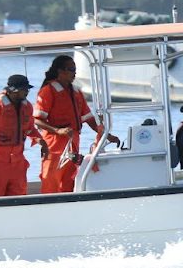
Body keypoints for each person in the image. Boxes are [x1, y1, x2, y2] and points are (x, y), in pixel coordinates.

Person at [34, 54, 120, 193]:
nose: (75, 72)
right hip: (54, 143)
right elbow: (37, 120)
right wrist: (57, 131)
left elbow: (89, 119)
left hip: (73, 142)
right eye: (71, 69)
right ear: (60, 71)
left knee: (69, 181)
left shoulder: (76, 93)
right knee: (51, 181)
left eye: (75, 69)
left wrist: (107, 136)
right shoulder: (48, 92)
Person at [0, 74, 48, 198]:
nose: (27, 92)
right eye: (24, 89)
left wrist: (41, 141)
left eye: (27, 89)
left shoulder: (27, 107)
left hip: (18, 163)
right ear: (14, 90)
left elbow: (29, 129)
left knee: (18, 197)